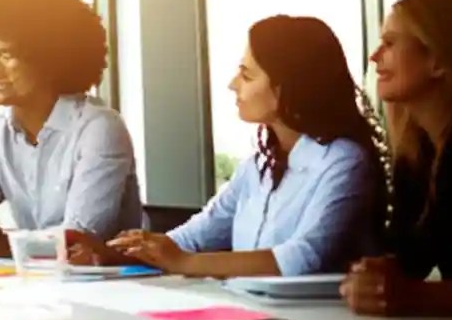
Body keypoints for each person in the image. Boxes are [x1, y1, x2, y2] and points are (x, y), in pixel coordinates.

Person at [67, 15, 384, 278]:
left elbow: (304, 257)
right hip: (255, 312)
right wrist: (115, 252)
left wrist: (184, 263)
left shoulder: (343, 161)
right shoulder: (258, 165)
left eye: (246, 75)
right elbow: (192, 238)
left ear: (288, 86)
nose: (233, 84)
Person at [0, 0, 141, 257]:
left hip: (111, 280)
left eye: (7, 55)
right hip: (38, 280)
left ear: (50, 59)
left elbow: (80, 239)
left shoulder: (99, 128)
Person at [343, 0, 452, 316]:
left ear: (437, 60)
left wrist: (415, 296)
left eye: (390, 43)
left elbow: (410, 285)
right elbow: (410, 261)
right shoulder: (417, 156)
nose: (374, 56)